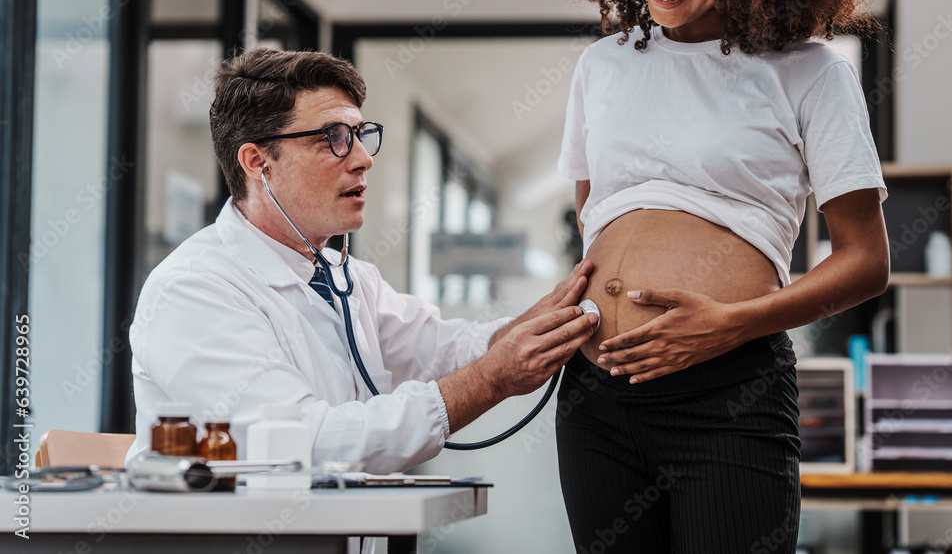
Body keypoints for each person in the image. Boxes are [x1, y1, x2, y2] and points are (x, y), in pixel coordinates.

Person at [552, 0, 892, 551]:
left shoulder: (809, 73)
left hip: (728, 393)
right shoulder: (602, 66)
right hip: (597, 396)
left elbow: (866, 260)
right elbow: (596, 219)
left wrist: (729, 324)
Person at [126, 49, 598, 479]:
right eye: (332, 138)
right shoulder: (193, 290)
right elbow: (307, 444)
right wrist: (493, 377)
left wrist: (538, 325)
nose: (362, 159)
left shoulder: (344, 278)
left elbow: (440, 349)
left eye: (358, 135)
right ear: (256, 161)